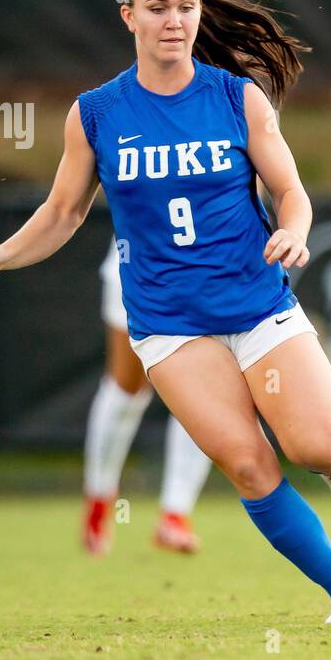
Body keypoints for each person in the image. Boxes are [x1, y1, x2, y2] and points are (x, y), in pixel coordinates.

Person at [0, 0, 331, 624]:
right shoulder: (96, 113)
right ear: (129, 15)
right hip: (170, 324)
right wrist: (0, 254)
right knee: (246, 464)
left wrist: (293, 229)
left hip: (256, 305)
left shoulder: (238, 99)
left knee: (316, 446)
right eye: (158, 8)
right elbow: (63, 212)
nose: (174, 20)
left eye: (186, 6)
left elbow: (291, 192)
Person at [82, 238, 212, 556]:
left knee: (202, 390)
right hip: (137, 258)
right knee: (128, 387)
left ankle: (175, 514)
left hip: (208, 264)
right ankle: (99, 499)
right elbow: (65, 208)